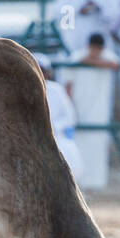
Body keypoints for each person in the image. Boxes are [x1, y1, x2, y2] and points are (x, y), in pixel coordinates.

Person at [60, 32, 119, 190]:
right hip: (79, 107)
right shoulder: (76, 56)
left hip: (99, 110)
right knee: (78, 144)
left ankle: (96, 182)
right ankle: (78, 183)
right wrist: (69, 106)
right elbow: (68, 83)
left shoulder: (108, 56)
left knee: (98, 143)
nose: (95, 52)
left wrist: (88, 61)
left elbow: (114, 65)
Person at [33, 53, 83, 182]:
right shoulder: (22, 90)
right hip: (32, 136)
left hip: (56, 135)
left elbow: (70, 116)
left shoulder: (57, 90)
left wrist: (54, 127)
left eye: (42, 70)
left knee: (67, 152)